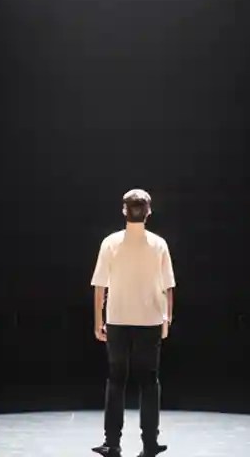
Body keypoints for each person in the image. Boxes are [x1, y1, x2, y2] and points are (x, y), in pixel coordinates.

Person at [90, 188, 175, 457]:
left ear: (124, 211)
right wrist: (167, 320)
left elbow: (99, 286)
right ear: (149, 211)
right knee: (149, 382)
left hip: (117, 320)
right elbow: (169, 287)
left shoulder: (110, 242)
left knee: (116, 381)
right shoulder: (159, 243)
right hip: (149, 320)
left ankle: (112, 443)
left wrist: (97, 321)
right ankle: (150, 443)